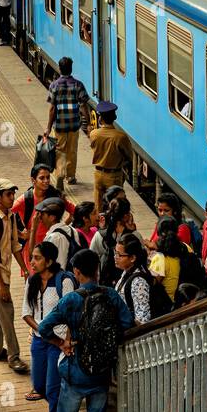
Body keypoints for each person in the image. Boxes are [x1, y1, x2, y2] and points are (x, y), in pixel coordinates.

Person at [36, 248, 132, 412]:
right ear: (98, 270)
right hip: (101, 374)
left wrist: (62, 344)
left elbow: (44, 328)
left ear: (77, 273)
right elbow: (127, 325)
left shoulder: (72, 300)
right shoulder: (111, 296)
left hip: (75, 374)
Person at [21, 239, 77, 412]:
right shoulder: (32, 281)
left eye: (37, 258)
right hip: (41, 341)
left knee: (53, 391)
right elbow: (26, 312)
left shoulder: (64, 281)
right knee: (39, 386)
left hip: (61, 344)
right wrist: (44, 332)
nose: (32, 262)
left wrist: (66, 341)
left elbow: (72, 313)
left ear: (50, 261)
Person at [0, 178, 30, 374]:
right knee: (7, 314)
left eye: (12, 194)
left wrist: (24, 268)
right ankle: (14, 356)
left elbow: (15, 245)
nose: (12, 198)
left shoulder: (9, 217)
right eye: (8, 194)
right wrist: (1, 285)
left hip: (4, 273)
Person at [43, 57, 93, 192]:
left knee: (60, 151)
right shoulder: (78, 84)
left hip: (59, 125)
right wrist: (88, 123)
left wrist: (48, 127)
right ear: (71, 69)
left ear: (60, 69)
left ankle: (60, 174)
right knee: (72, 151)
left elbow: (52, 108)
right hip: (74, 125)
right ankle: (70, 177)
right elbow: (83, 106)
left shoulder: (54, 85)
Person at [13, 164, 75, 265]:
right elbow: (5, 215)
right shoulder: (26, 199)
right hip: (32, 247)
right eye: (42, 178)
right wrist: (20, 234)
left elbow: (74, 210)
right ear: (33, 180)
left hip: (53, 246)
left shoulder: (56, 196)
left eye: (48, 177)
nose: (46, 181)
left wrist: (62, 226)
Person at [149, 216, 207, 305]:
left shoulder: (160, 258)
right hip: (185, 300)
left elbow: (151, 286)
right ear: (177, 231)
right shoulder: (186, 248)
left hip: (168, 305)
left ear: (159, 233)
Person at [114, 231, 168, 325]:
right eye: (115, 253)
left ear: (132, 258)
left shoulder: (138, 282)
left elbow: (142, 320)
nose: (115, 257)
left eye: (120, 255)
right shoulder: (127, 272)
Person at [88, 100, 132, 209]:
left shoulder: (94, 134)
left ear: (100, 118)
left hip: (98, 174)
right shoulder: (120, 137)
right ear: (114, 117)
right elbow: (129, 156)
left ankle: (99, 223)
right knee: (115, 206)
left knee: (98, 205)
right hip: (114, 175)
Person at [90, 197, 135, 286]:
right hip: (129, 283)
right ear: (126, 216)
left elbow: (90, 260)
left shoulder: (99, 235)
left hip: (106, 283)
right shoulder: (134, 236)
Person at [40, 197, 88, 270]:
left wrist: (34, 228)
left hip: (60, 278)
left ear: (52, 217)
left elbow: (59, 264)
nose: (40, 218)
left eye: (43, 215)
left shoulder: (54, 237)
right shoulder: (71, 230)